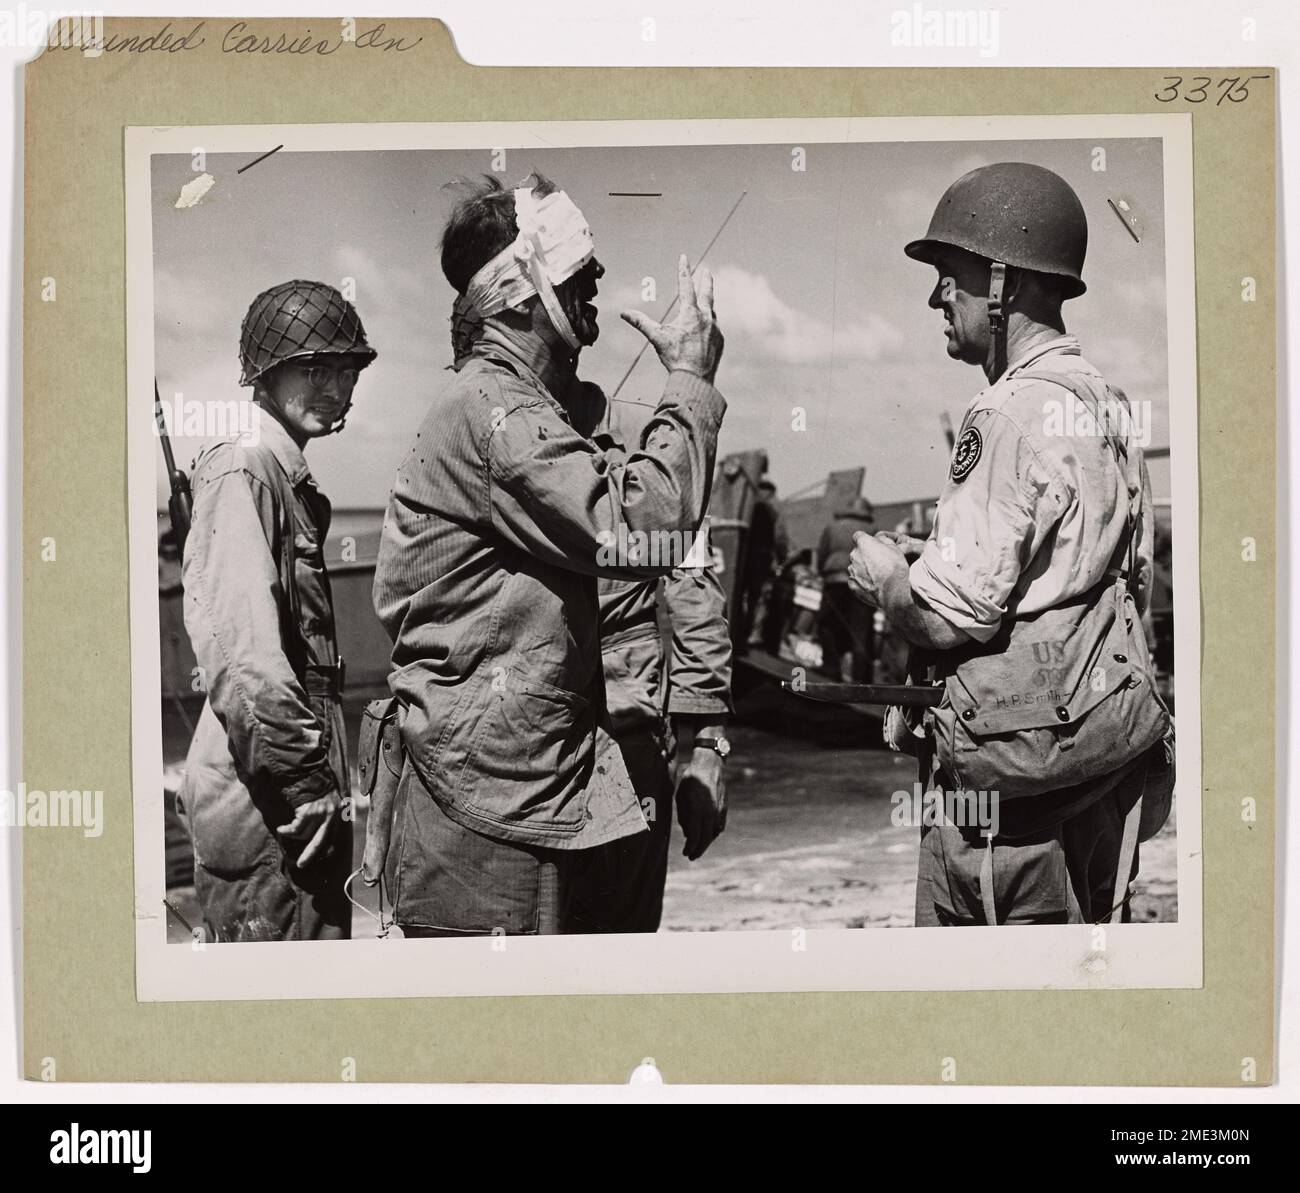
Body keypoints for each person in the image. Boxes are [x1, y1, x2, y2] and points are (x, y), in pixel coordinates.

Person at [372, 174, 726, 937]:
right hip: (492, 810)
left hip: (529, 789)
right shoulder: (493, 410)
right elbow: (643, 520)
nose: (597, 283)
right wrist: (691, 380)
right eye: (578, 273)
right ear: (522, 291)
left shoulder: (520, 408)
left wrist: (705, 735)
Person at [846, 162, 1168, 926]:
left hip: (1011, 813)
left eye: (949, 275)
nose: (936, 296)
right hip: (1100, 776)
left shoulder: (1006, 413)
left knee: (977, 1020)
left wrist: (891, 580)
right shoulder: (1106, 403)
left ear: (1001, 284)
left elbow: (948, 618)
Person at [178, 280, 376, 941]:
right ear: (266, 373)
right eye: (313, 367)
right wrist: (303, 781)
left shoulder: (274, 470)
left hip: (277, 795)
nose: (333, 385)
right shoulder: (247, 466)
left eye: (345, 369)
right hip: (267, 806)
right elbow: (246, 656)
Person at [565, 388, 734, 933]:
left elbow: (696, 600)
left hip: (618, 746)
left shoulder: (642, 467)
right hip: (550, 752)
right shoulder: (500, 432)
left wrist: (707, 747)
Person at [816, 496, 876, 681]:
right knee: (860, 632)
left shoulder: (832, 526)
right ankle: (861, 680)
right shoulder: (872, 530)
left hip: (833, 581)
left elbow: (821, 554)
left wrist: (822, 573)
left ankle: (831, 668)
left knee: (826, 624)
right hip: (860, 585)